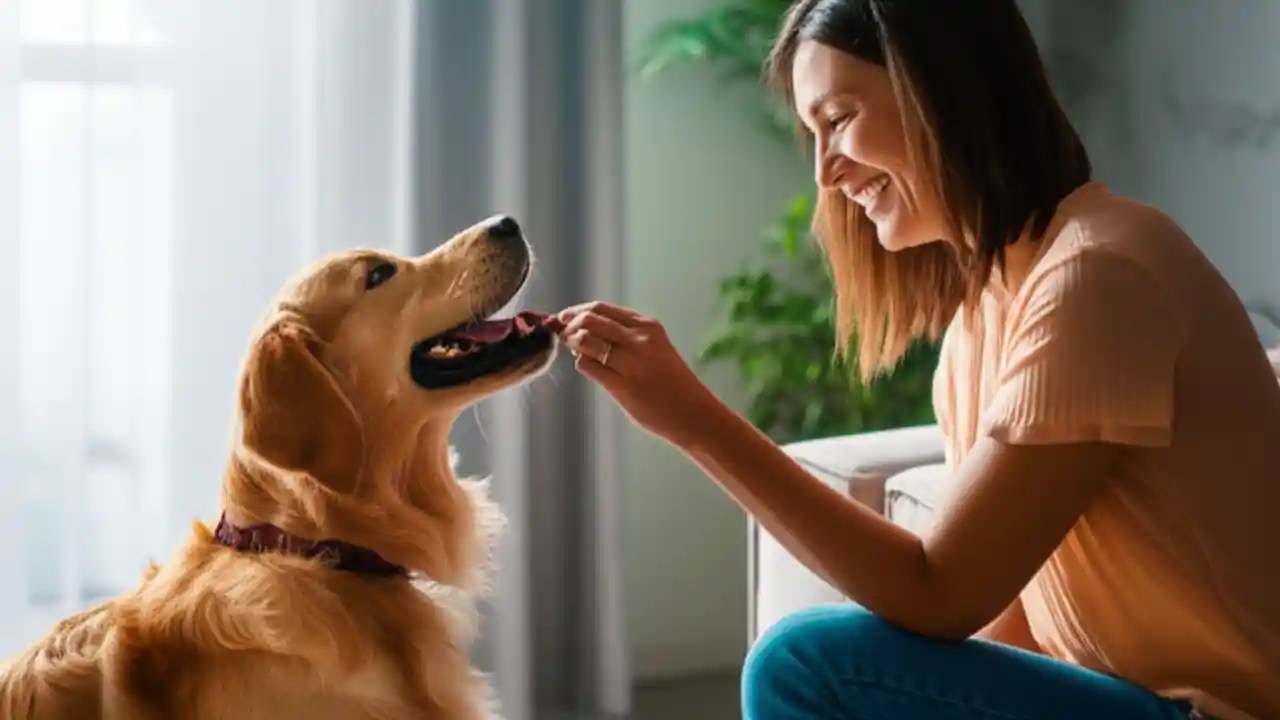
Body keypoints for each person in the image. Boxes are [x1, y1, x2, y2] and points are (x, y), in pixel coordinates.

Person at [554, 0, 1280, 718]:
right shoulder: (981, 325)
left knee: (801, 662)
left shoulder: (1101, 274)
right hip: (1127, 702)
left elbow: (941, 593)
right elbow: (1012, 624)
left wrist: (695, 422)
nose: (825, 173)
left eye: (838, 120)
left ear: (940, 90)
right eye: (812, 134)